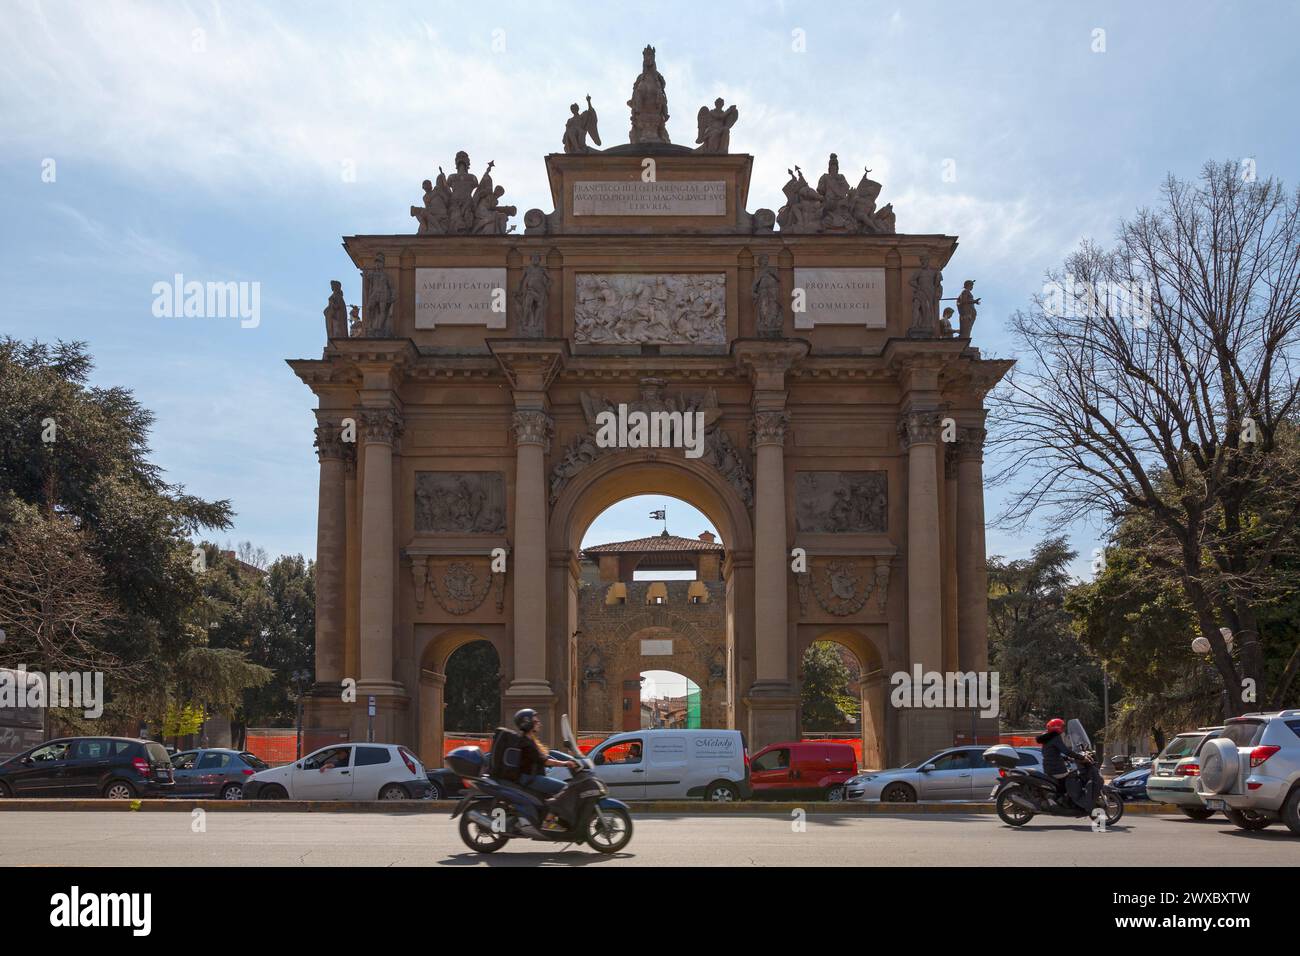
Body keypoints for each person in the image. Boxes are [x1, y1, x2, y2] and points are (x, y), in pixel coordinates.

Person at [514, 708, 579, 832]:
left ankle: (554, 817)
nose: (539, 723)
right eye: (536, 721)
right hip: (530, 778)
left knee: (556, 792)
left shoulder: (529, 740)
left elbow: (546, 756)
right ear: (527, 723)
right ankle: (548, 822)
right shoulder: (526, 743)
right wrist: (566, 763)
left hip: (532, 777)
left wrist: (570, 758)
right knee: (565, 788)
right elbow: (545, 761)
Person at [1036, 717, 1090, 812]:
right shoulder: (1055, 737)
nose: (1063, 729)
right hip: (1056, 768)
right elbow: (1065, 750)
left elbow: (1053, 752)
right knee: (1073, 778)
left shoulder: (1047, 737)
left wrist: (1067, 758)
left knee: (1066, 780)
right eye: (1062, 727)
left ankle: (1057, 798)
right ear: (1057, 728)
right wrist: (1081, 757)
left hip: (1050, 767)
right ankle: (1061, 801)